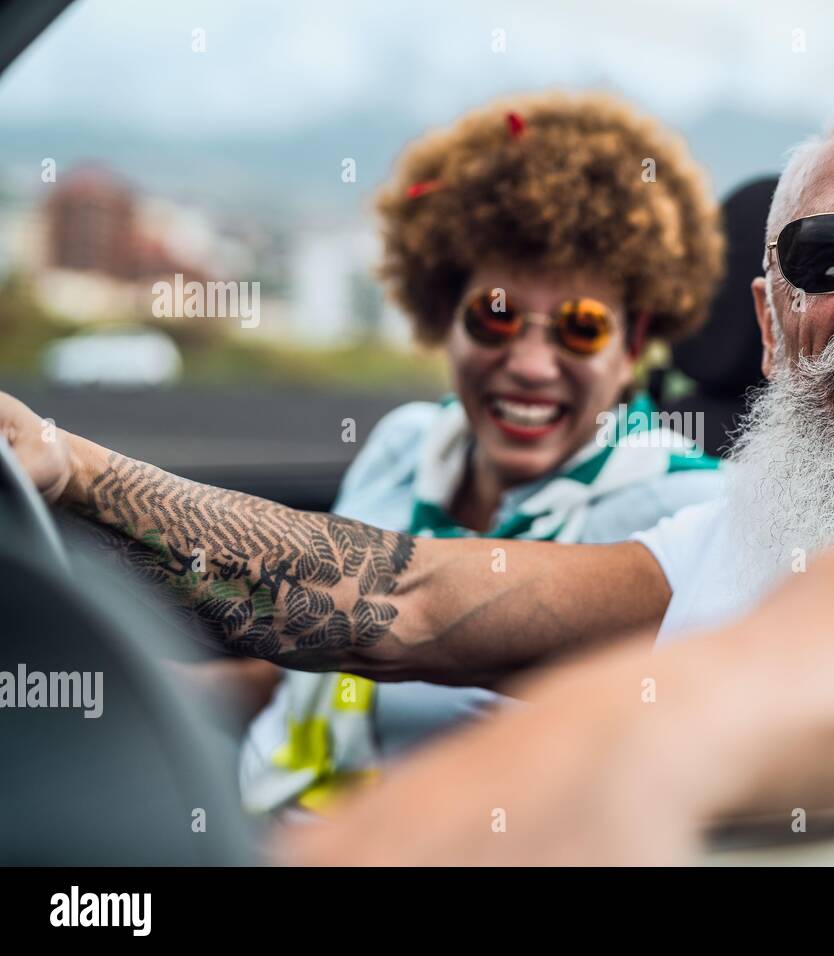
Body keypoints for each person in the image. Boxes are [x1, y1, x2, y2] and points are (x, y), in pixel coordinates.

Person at [3, 88, 834, 862]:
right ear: (773, 319)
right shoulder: (737, 524)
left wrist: (611, 752)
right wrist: (69, 467)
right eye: (826, 256)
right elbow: (420, 599)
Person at [237, 91, 727, 813]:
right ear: (446, 319)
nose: (529, 365)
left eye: (582, 328)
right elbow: (298, 679)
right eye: (494, 317)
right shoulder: (405, 443)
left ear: (631, 346)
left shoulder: (690, 511)